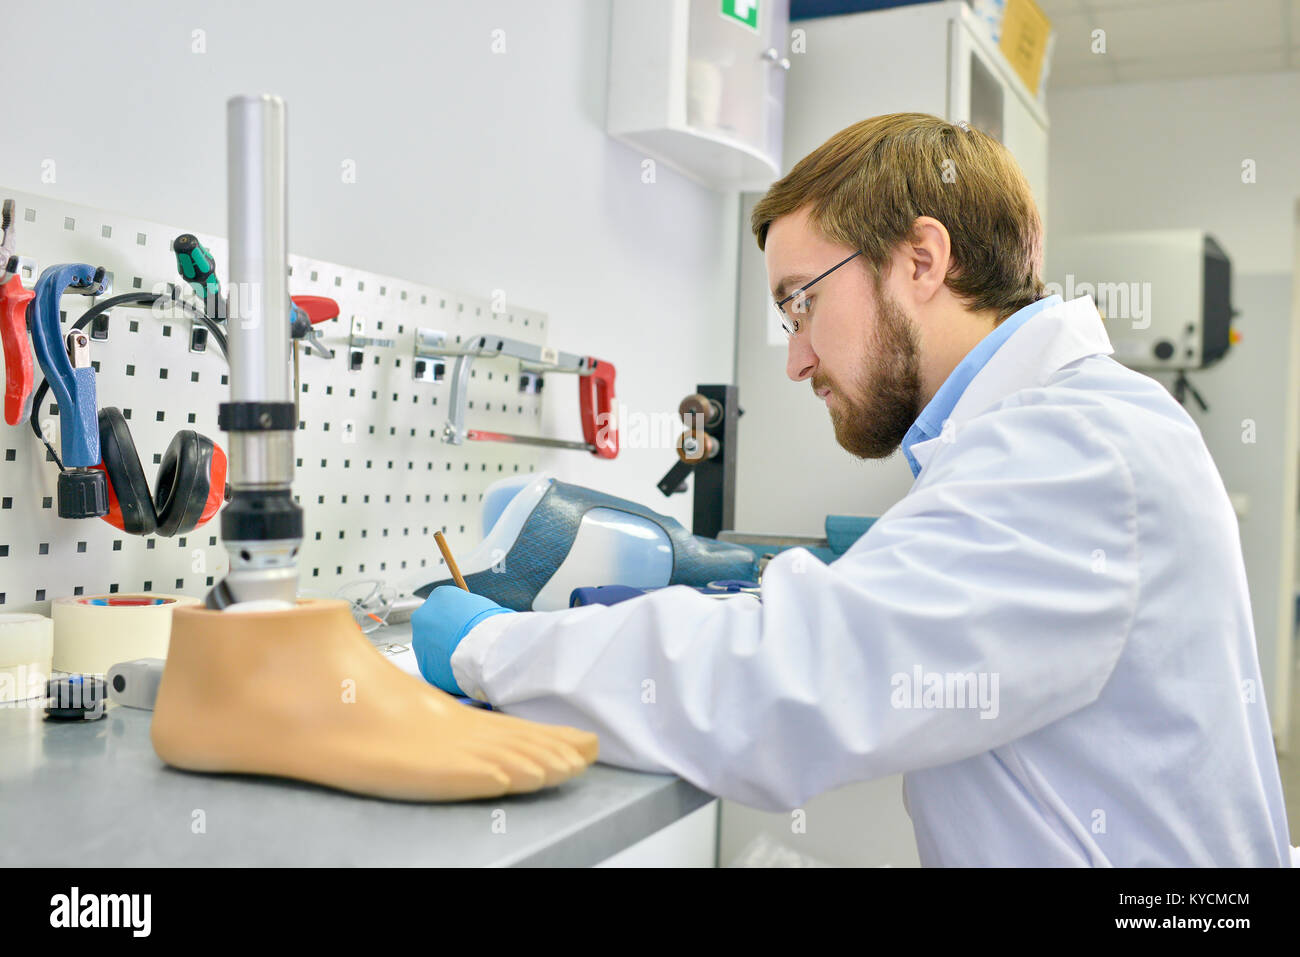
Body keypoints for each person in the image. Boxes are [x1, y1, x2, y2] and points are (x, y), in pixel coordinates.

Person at [413, 113, 1292, 867]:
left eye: (801, 303)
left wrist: (492, 650)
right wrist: (869, 570)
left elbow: (789, 682)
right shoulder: (1074, 426)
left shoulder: (1074, 450)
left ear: (920, 259)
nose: (795, 357)